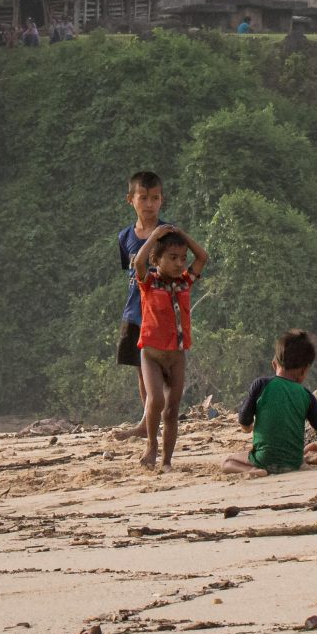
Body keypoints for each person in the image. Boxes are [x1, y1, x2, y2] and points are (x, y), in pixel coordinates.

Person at [111, 171, 179, 440]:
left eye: (154, 198)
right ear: (130, 199)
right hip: (135, 313)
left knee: (166, 371)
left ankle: (165, 419)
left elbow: (178, 268)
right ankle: (146, 422)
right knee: (142, 371)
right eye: (143, 198)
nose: (149, 204)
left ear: (162, 200)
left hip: (162, 314)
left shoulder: (169, 234)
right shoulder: (124, 236)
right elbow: (131, 273)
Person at [222, 329, 317, 475]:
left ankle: (253, 470)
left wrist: (247, 427)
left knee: (227, 462)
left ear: (274, 364)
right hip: (294, 461)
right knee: (296, 457)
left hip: (264, 460)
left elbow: (244, 418)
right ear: (304, 370)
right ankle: (303, 462)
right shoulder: (306, 395)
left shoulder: (261, 384)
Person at [132, 227, 203, 470]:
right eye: (172, 258)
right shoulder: (149, 283)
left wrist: (182, 235)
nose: (179, 264)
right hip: (151, 354)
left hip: (176, 356)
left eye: (182, 258)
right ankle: (151, 445)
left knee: (172, 410)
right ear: (157, 259)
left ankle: (166, 461)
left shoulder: (185, 282)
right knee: (156, 401)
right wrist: (155, 236)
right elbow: (139, 262)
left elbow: (202, 257)